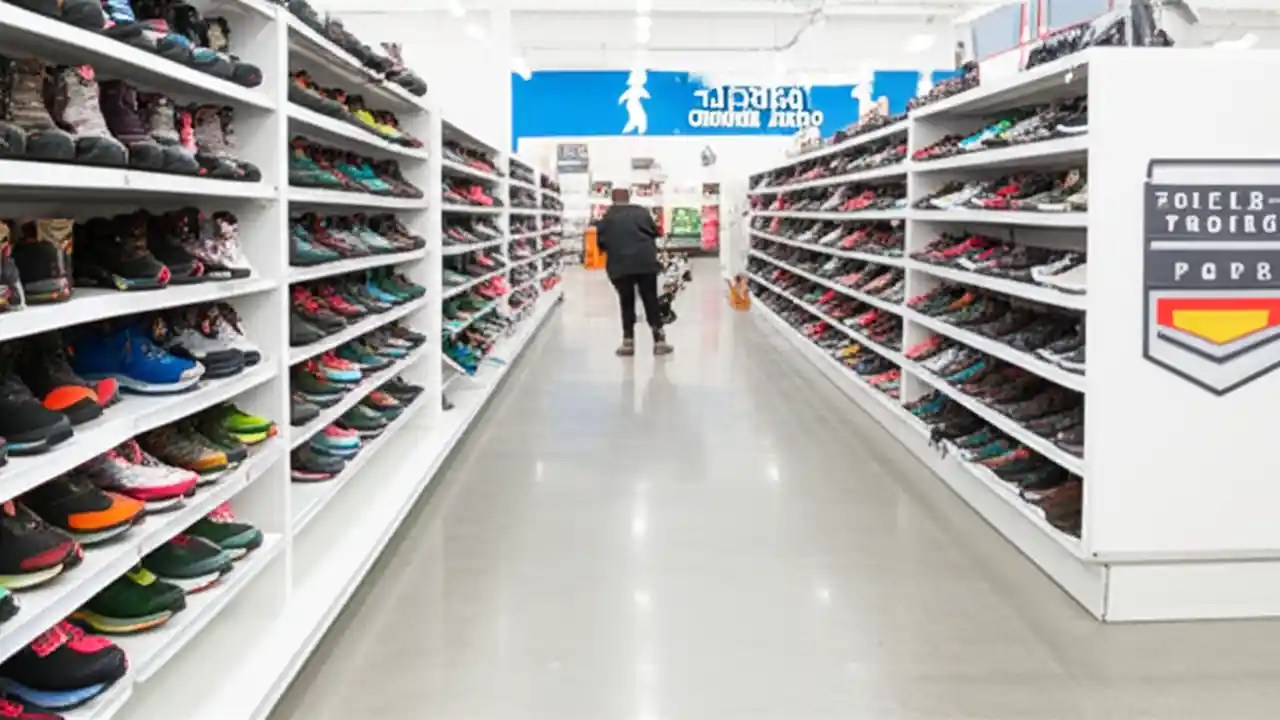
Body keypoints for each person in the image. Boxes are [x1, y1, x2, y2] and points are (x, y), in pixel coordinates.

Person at [595, 188, 673, 357]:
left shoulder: (606, 218)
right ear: (629, 197)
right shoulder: (641, 212)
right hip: (644, 262)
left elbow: (601, 244)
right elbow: (655, 232)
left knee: (626, 301)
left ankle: (628, 342)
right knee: (650, 299)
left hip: (620, 265)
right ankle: (659, 341)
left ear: (612, 199)